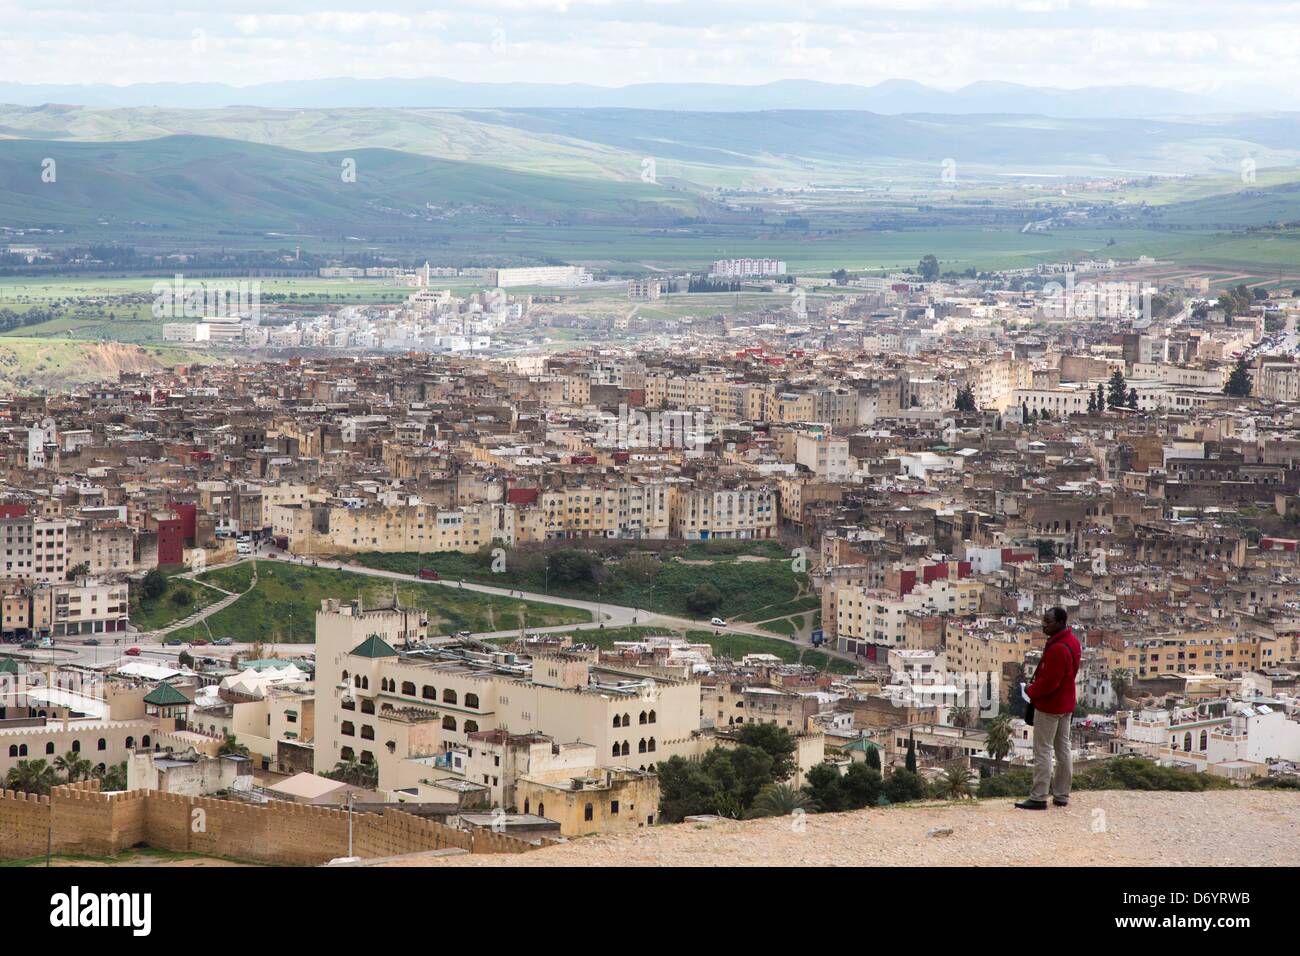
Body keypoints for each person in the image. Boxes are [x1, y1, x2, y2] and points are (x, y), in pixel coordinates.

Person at [1015, 606, 1082, 810]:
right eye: (1043, 620)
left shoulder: (1057, 649)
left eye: (1048, 621)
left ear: (1060, 622)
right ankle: (1061, 795)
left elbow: (1049, 683)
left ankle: (1039, 796)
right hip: (1067, 703)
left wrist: (1030, 690)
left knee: (1043, 749)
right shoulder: (1073, 642)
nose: (1044, 624)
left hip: (1050, 705)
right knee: (1063, 748)